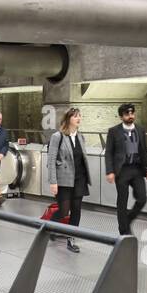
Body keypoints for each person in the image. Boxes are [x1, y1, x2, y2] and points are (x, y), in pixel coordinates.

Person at [105, 103, 147, 235]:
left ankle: (127, 220)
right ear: (121, 117)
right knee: (122, 200)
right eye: (127, 114)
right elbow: (109, 152)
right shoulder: (114, 131)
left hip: (137, 169)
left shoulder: (140, 129)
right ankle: (124, 230)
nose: (130, 116)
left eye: (132, 113)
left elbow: (144, 151)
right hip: (122, 170)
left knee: (142, 198)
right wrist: (110, 171)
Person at [45, 107, 88, 253]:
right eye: (76, 116)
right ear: (69, 119)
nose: (79, 118)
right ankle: (49, 226)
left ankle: (71, 239)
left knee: (76, 210)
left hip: (79, 179)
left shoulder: (81, 137)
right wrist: (53, 181)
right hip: (63, 180)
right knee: (64, 211)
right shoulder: (58, 136)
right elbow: (50, 160)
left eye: (80, 116)